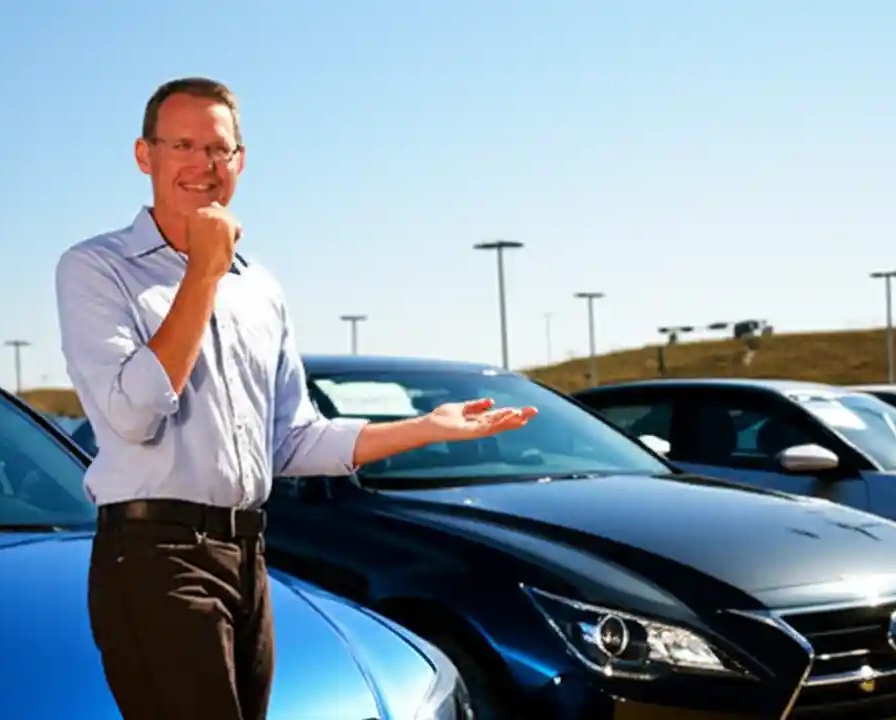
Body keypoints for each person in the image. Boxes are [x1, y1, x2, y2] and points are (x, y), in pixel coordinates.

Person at [54, 77, 538, 720]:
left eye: (219, 149)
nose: (203, 165)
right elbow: (133, 414)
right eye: (183, 145)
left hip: (250, 556)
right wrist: (201, 272)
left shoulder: (260, 289)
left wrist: (424, 427)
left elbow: (292, 439)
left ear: (241, 161)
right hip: (154, 560)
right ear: (146, 156)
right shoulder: (97, 269)